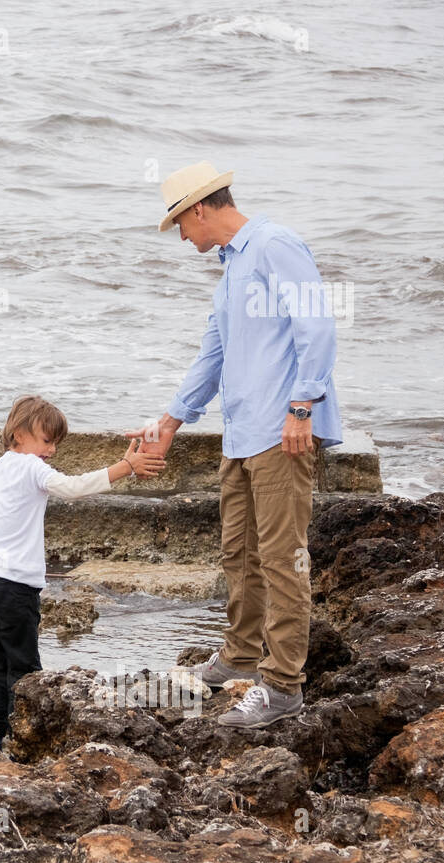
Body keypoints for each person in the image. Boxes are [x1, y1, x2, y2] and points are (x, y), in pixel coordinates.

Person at [129, 161, 342, 729]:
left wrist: (303, 406)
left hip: (280, 432)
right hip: (241, 434)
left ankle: (282, 687)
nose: (181, 235)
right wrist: (172, 422)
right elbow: (213, 354)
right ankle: (243, 654)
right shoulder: (231, 270)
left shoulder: (274, 245)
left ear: (200, 208)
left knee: (281, 560)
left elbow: (317, 325)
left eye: (180, 222)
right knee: (238, 554)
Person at [0, 396, 164, 748]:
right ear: (18, 434)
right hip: (14, 587)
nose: (52, 449)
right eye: (47, 440)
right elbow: (73, 488)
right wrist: (126, 466)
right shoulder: (31, 468)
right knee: (26, 668)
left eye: (56, 443)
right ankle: (22, 740)